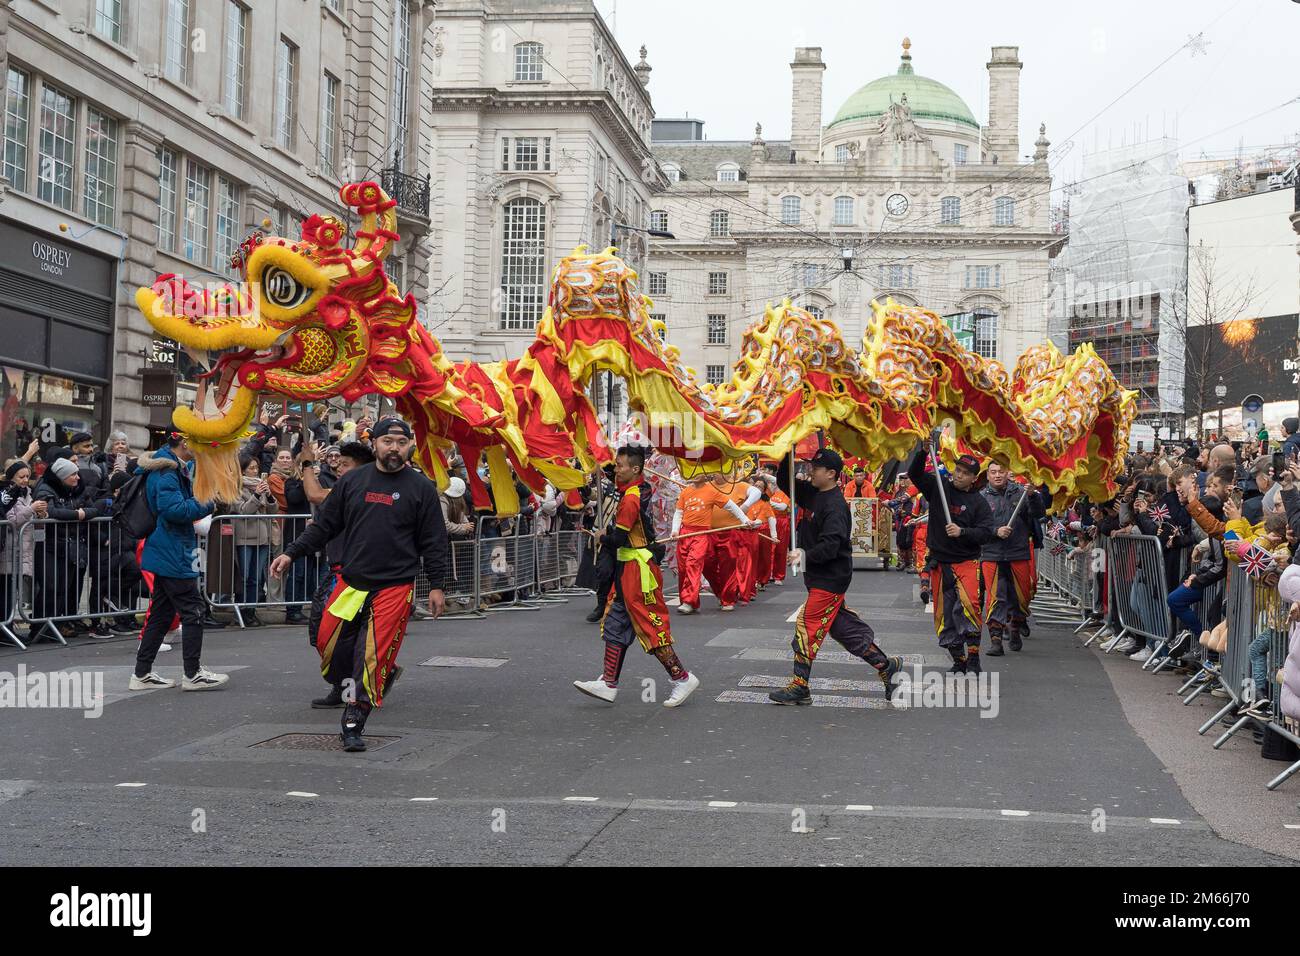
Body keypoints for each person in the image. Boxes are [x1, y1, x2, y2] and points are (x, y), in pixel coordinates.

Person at [271, 419, 447, 751]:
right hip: (352, 583)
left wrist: (437, 585)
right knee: (329, 647)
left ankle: (353, 721)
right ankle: (358, 683)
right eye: (387, 441)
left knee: (369, 659)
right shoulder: (352, 481)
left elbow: (434, 541)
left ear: (409, 445)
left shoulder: (421, 488)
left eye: (400, 441)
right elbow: (324, 526)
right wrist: (291, 553)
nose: (393, 448)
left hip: (395, 587)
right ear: (375, 444)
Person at [767, 448, 902, 705]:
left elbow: (830, 547)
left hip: (830, 577)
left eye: (815, 469)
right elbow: (786, 482)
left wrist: (803, 556)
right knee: (844, 630)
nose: (810, 472)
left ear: (831, 474)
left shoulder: (836, 506)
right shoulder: (812, 494)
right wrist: (787, 448)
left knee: (806, 626)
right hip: (818, 576)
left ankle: (800, 686)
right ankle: (886, 666)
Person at [573, 445, 700, 708]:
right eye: (616, 465)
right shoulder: (633, 490)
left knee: (651, 628)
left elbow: (618, 539)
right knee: (615, 624)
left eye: (619, 466)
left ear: (635, 469)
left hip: (637, 571)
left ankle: (682, 677)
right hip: (628, 569)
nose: (616, 469)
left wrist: (601, 537)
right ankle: (608, 683)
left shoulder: (631, 497)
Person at [129, 434, 229, 691]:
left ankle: (142, 674)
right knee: (194, 610)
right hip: (171, 550)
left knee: (161, 614)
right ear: (185, 442)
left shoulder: (170, 466)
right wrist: (209, 502)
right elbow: (175, 510)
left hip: (169, 548)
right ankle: (193, 673)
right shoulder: (167, 470)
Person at [300, 440, 380, 709]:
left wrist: (308, 463)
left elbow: (314, 494)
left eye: (346, 464)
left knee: (343, 636)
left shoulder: (360, 490)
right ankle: (344, 683)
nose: (339, 468)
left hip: (353, 577)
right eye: (339, 463)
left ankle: (351, 687)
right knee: (322, 633)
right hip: (336, 571)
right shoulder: (347, 490)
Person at [908, 442, 996, 674]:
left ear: (973, 478)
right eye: (958, 470)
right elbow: (915, 474)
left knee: (969, 607)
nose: (959, 475)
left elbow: (987, 532)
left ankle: (974, 655)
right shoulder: (939, 487)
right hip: (940, 563)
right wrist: (923, 452)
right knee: (944, 615)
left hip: (966, 562)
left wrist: (962, 532)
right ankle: (958, 659)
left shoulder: (979, 503)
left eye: (965, 473)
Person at [979, 463, 1045, 655]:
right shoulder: (982, 497)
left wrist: (1033, 496)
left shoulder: (1021, 493)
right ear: (988, 475)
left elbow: (1039, 514)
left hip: (1018, 552)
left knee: (1022, 597)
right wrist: (995, 531)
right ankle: (996, 640)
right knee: (994, 598)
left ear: (1008, 473)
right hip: (991, 554)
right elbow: (977, 528)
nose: (998, 475)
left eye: (1001, 472)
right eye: (993, 472)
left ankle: (1015, 626)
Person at [31, 457, 98, 637]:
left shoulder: (78, 489)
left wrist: (81, 513)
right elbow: (51, 512)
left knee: (64, 589)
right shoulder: (46, 488)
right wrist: (78, 514)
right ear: (62, 476)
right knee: (50, 588)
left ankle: (57, 625)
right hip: (50, 546)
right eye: (73, 474)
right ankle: (39, 627)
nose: (78, 477)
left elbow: (94, 509)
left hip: (70, 546)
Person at [671, 474, 750, 614]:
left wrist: (745, 520)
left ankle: (689, 601)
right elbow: (678, 513)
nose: (694, 475)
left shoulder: (712, 491)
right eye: (692, 471)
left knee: (693, 565)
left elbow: (731, 506)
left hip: (701, 535)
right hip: (684, 534)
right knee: (683, 568)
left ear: (706, 474)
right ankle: (693, 601)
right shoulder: (685, 491)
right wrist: (675, 530)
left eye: (698, 472)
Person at [232, 455, 276, 627]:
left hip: (263, 538)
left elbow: (273, 510)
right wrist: (257, 494)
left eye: (256, 467)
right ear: (242, 469)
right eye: (251, 468)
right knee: (244, 577)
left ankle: (251, 611)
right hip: (244, 538)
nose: (255, 471)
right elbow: (244, 510)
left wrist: (270, 496)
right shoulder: (236, 487)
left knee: (256, 579)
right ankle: (241, 613)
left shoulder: (260, 484)